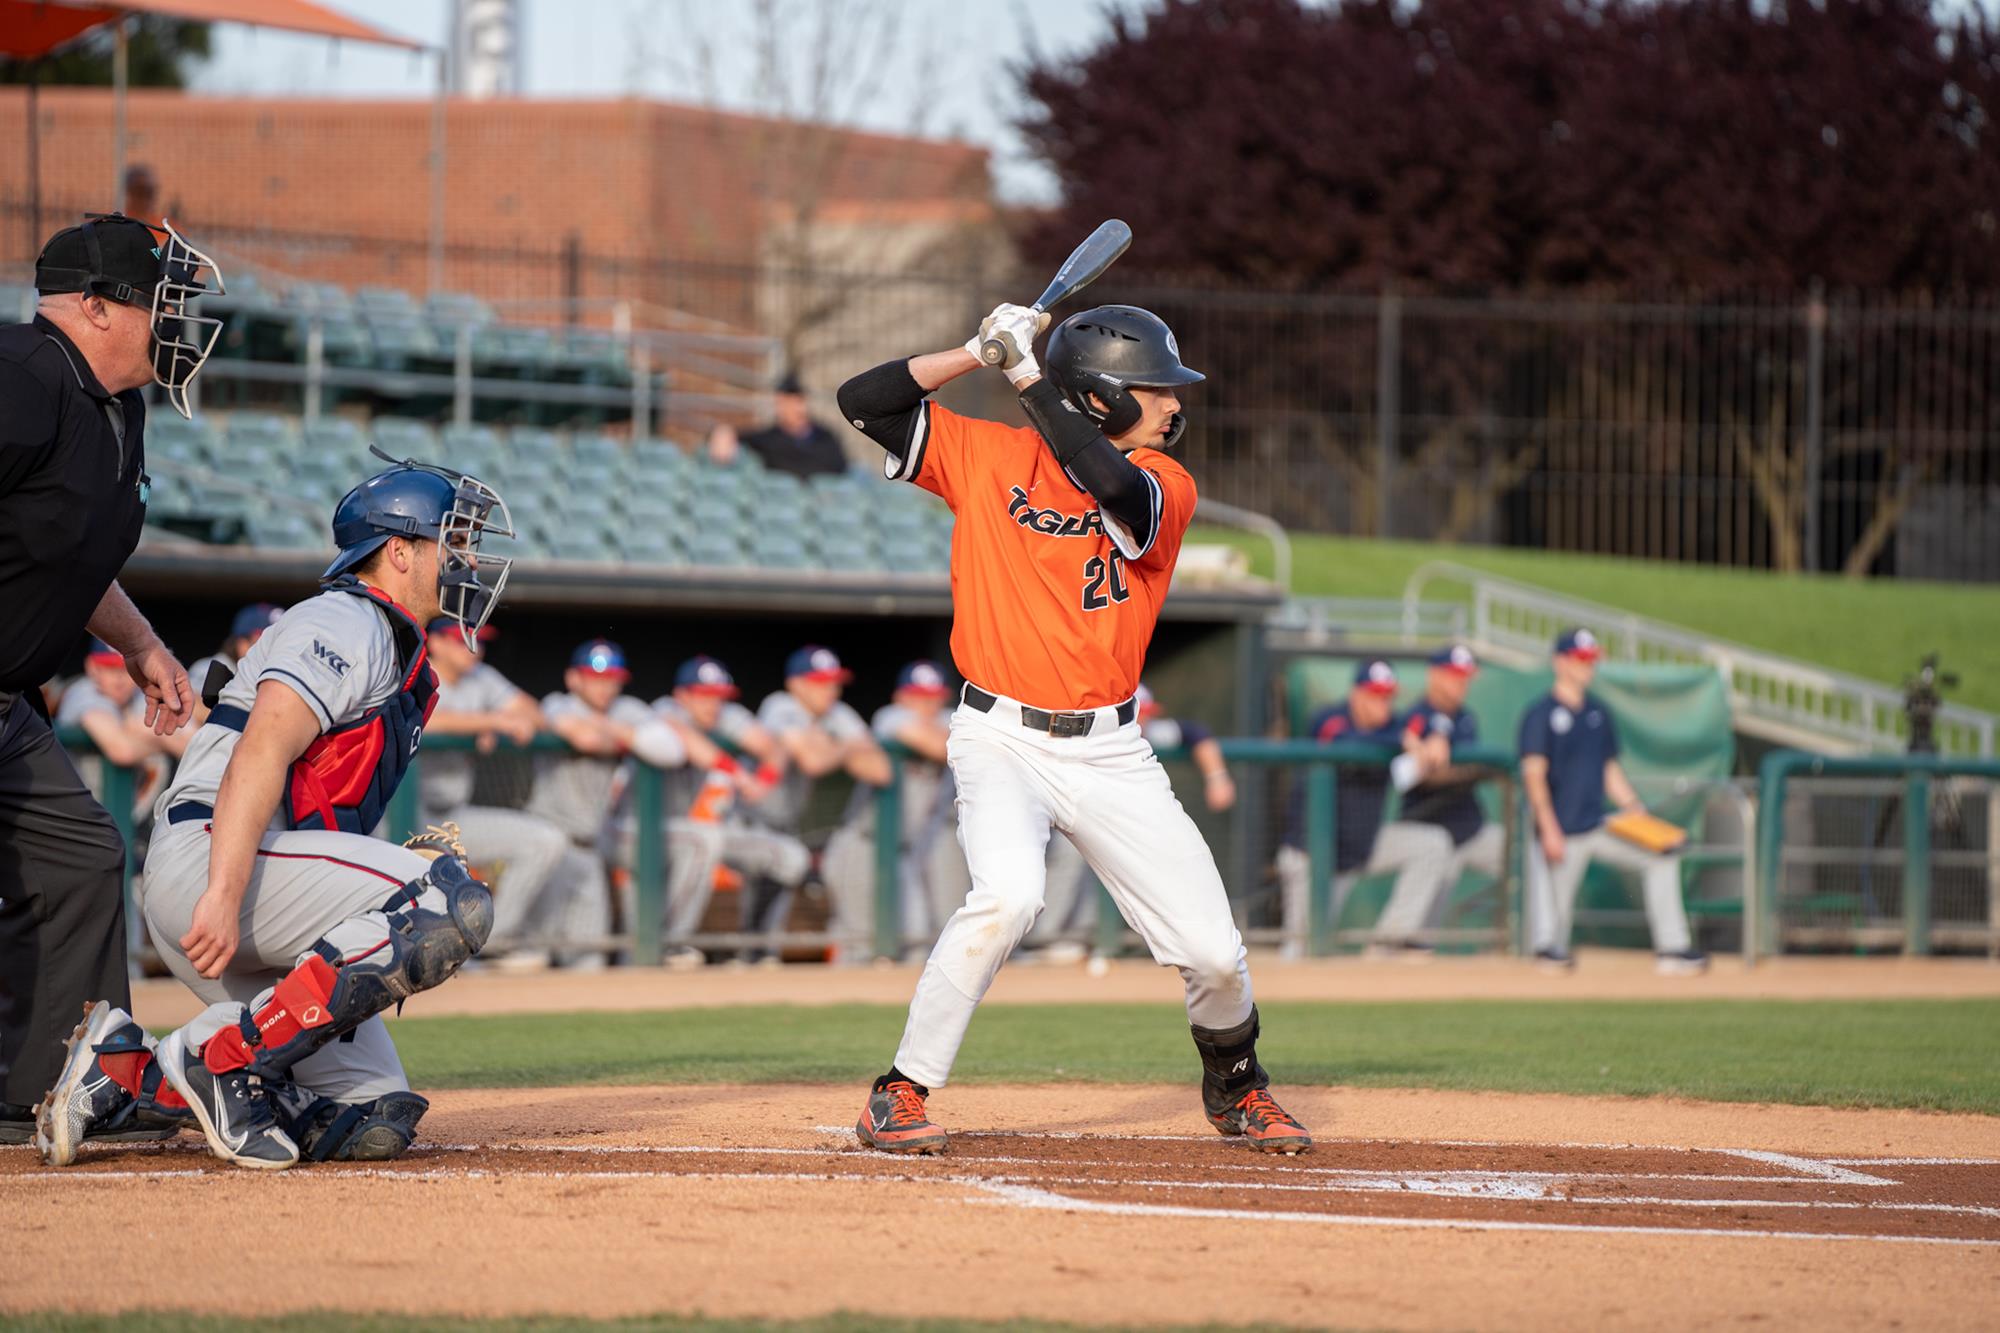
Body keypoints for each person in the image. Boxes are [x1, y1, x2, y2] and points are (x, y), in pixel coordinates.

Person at [837, 301, 1310, 1154]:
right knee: (1009, 896)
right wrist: (977, 352)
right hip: (999, 735)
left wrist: (1024, 374)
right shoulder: (989, 454)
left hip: (1111, 749)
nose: (1174, 403)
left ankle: (1239, 1089)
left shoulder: (1167, 484)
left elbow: (1112, 486)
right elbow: (864, 400)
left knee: (1212, 952)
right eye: (1153, 388)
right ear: (1099, 397)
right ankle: (899, 1091)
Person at [33, 456, 516, 1169]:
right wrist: (223, 894)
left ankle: (124, 1075)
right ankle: (223, 1059)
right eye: (455, 538)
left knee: (370, 1116)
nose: (469, 558)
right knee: (448, 895)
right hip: (215, 860)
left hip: (261, 882)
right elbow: (260, 751)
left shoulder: (395, 644)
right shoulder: (350, 618)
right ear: (400, 551)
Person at [1, 213, 218, 1147]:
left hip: (10, 703)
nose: (178, 323)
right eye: (161, 303)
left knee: (82, 862)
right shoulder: (24, 373)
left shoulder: (117, 408)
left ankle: (44, 1092)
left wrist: (141, 646)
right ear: (93, 307)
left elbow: (71, 550)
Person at [1519, 628, 1708, 976]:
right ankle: (1545, 957)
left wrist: (1639, 814)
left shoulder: (1598, 713)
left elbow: (1610, 771)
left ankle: (1672, 949)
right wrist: (1548, 829)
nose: (1588, 666)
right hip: (1561, 827)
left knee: (1660, 855)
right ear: (1560, 662)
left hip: (1598, 823)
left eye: (1591, 659)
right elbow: (1534, 775)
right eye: (1581, 659)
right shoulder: (1540, 714)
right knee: (1552, 934)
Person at [1030, 682, 1236, 958]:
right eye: (1142, 712)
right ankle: (1043, 941)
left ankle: (1098, 939)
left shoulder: (1147, 732)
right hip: (1071, 813)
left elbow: (1196, 733)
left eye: (1147, 712)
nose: (1146, 719)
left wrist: (1216, 777)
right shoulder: (1084, 729)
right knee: (1063, 862)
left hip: (1121, 820)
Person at [1274, 659, 1452, 960]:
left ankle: (1386, 945)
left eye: (1388, 695)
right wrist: (1403, 740)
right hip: (1313, 857)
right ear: (1356, 694)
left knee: (1432, 845)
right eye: (1375, 695)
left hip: (1360, 848)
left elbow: (1425, 723)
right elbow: (1347, 741)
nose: (1383, 703)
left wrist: (1437, 738)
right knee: (1300, 953)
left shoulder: (1394, 725)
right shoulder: (1329, 718)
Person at [418, 620, 573, 962]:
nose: (473, 648)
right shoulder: (415, 670)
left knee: (545, 841)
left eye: (478, 641)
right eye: (461, 640)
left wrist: (494, 720)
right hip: (397, 820)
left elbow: (534, 714)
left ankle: (485, 944)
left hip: (450, 817)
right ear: (436, 643)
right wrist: (488, 721)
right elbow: (424, 722)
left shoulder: (481, 678)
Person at [527, 639, 685, 969]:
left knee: (589, 963)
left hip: (591, 849)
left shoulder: (623, 711)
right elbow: (584, 738)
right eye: (595, 677)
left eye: (611, 679)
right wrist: (629, 737)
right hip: (550, 843)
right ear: (574, 679)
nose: (605, 687)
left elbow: (671, 750)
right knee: (530, 958)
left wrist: (615, 731)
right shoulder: (558, 702)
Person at [649, 654, 810, 967]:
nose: (713, 704)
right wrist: (740, 775)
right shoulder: (664, 710)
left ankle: (757, 947)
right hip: (651, 829)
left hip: (703, 830)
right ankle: (670, 945)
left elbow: (773, 747)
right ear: (682, 695)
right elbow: (691, 742)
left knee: (790, 857)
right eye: (704, 696)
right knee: (701, 841)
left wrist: (764, 780)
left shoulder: (726, 715)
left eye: (719, 697)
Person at [747, 646, 891, 959]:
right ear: (796, 684)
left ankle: (755, 963)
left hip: (785, 824)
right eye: (820, 682)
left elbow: (880, 769)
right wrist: (847, 747)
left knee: (767, 921)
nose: (831, 690)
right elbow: (813, 761)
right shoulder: (780, 706)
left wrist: (832, 746)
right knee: (782, 869)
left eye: (834, 681)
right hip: (745, 817)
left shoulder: (837, 714)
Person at [820, 659, 968, 963]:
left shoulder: (950, 719)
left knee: (915, 946)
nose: (926, 704)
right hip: (863, 845)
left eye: (934, 696)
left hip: (904, 853)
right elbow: (941, 746)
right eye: (917, 696)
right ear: (901, 697)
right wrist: (951, 739)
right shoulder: (890, 716)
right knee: (858, 946)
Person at [1380, 644, 1507, 953]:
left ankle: (1519, 944)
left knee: (1520, 854)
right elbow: (1416, 774)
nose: (1461, 684)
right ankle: (1384, 965)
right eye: (1453, 676)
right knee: (1420, 935)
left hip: (1470, 829)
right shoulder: (1414, 718)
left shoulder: (1466, 718)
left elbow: (1459, 770)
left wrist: (1463, 769)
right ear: (1434, 676)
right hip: (1432, 830)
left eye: (1465, 677)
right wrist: (1438, 762)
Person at [53, 639, 173, 818]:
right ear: (92, 667)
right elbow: (122, 751)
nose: (119, 679)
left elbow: (188, 739)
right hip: (70, 817)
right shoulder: (83, 691)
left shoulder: (138, 696)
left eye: (126, 669)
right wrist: (162, 742)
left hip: (116, 822)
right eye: (110, 668)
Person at [183, 602, 285, 736]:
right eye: (265, 642)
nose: (272, 649)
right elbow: (192, 706)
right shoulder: (216, 667)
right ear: (242, 643)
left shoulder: (275, 677)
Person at [739, 373, 848, 479]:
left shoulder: (824, 437)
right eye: (785, 404)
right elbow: (742, 438)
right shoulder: (768, 439)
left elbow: (838, 466)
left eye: (798, 403)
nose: (795, 409)